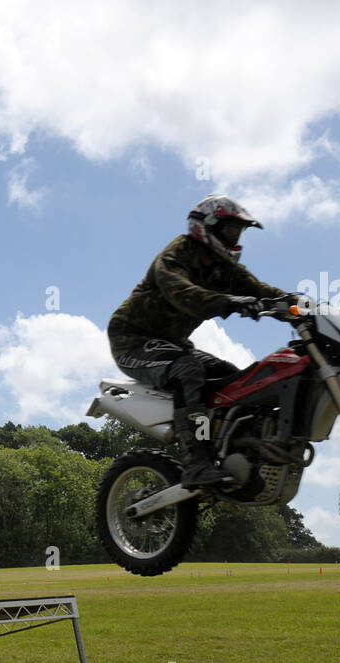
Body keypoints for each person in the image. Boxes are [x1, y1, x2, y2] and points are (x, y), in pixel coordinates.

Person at [108, 195, 296, 488]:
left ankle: (229, 450)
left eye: (240, 232)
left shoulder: (224, 268)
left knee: (236, 379)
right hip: (131, 340)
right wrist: (230, 301)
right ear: (207, 226)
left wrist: (306, 308)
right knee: (188, 371)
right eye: (231, 230)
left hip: (172, 344)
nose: (236, 237)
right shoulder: (176, 255)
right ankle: (197, 461)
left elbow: (262, 291)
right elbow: (182, 292)